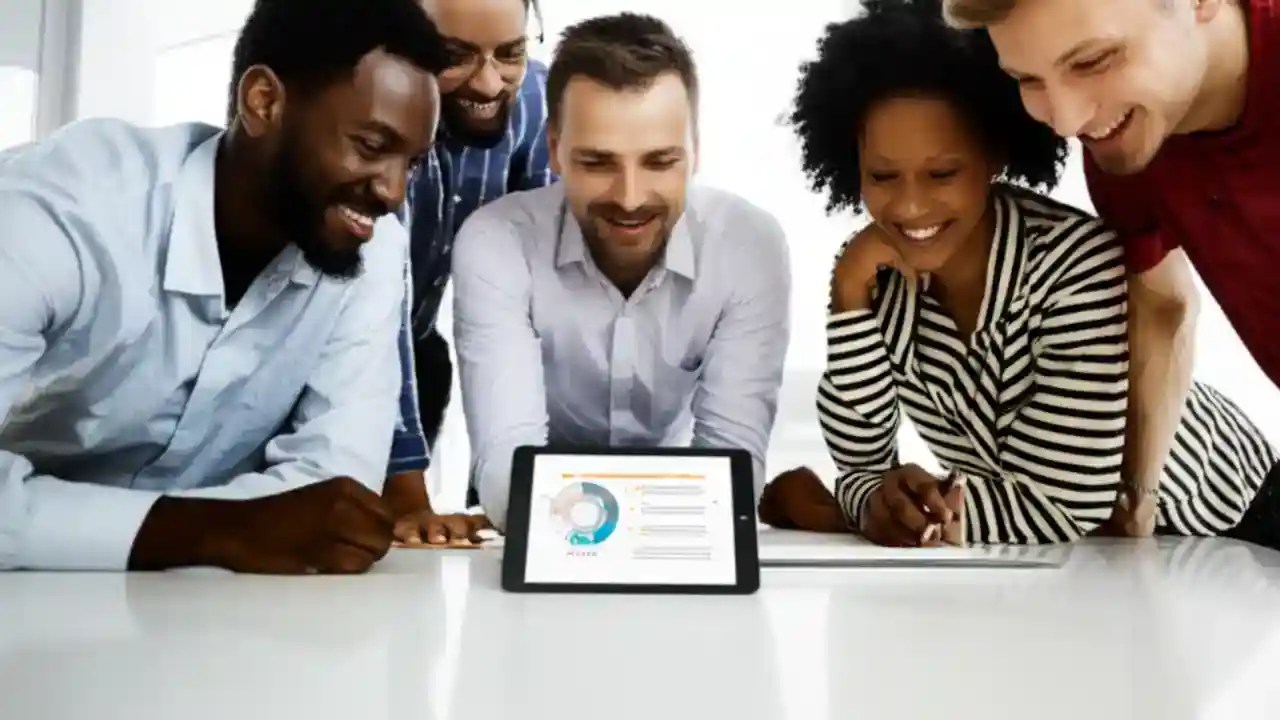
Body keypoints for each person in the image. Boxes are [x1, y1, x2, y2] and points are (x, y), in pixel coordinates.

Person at [758, 0, 1279, 548]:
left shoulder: (1072, 261)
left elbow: (1058, 502)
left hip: (1223, 519)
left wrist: (868, 511)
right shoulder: (884, 275)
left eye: (942, 172)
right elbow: (864, 463)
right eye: (883, 175)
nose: (1067, 121)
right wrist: (848, 296)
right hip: (1102, 547)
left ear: (994, 156)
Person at [0, 0, 446, 572]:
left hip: (207, 612)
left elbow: (332, 496)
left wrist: (219, 535)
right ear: (264, 101)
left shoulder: (369, 249)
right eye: (371, 146)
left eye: (412, 164)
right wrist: (216, 531)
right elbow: (279, 523)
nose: (393, 194)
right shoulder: (61, 214)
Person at [939, 0, 1280, 537]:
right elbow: (1163, 302)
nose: (1067, 120)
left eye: (1093, 61)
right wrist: (1138, 491)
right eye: (1027, 79)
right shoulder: (1126, 146)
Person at [452, 13, 792, 528]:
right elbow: (506, 475)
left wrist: (592, 513)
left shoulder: (748, 246)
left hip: (645, 535)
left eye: (659, 162)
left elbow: (734, 480)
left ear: (695, 150)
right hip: (564, 538)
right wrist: (676, 508)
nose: (630, 198)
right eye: (597, 162)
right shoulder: (496, 242)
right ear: (555, 151)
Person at [382, 0, 556, 544]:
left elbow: (544, 297)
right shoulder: (368, 107)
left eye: (511, 53)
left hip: (421, 346)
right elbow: (374, 311)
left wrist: (514, 496)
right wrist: (408, 499)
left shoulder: (540, 105)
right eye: (454, 57)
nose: (488, 84)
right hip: (338, 352)